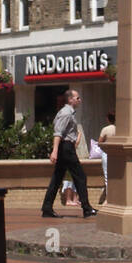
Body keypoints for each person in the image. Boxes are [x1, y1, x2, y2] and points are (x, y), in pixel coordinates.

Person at [40, 89, 96, 219]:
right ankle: (87, 208)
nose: (79, 100)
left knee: (57, 177)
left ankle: (47, 208)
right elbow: (58, 133)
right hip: (65, 148)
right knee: (80, 176)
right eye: (77, 98)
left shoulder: (67, 112)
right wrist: (54, 151)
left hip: (66, 147)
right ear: (70, 99)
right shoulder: (66, 113)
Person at [96, 111, 116, 205]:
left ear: (108, 119)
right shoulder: (120, 129)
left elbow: (99, 142)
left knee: (107, 176)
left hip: (107, 153)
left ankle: (109, 199)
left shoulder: (106, 129)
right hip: (117, 154)